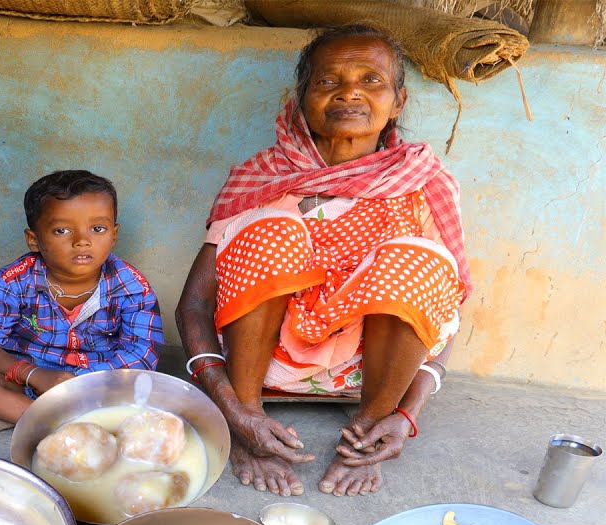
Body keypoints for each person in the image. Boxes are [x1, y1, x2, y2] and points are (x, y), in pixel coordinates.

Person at [176, 25, 470, 497]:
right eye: (328, 81)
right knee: (272, 228)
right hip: (259, 364)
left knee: (421, 258)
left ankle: (365, 438)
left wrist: (403, 415)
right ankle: (253, 425)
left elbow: (443, 313)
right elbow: (193, 304)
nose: (349, 91)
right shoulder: (261, 177)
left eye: (371, 80)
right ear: (301, 99)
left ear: (399, 101)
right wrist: (232, 410)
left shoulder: (423, 185)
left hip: (367, 375)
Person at [0, 170, 163, 437]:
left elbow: (142, 355)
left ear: (114, 233)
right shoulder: (12, 281)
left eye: (97, 229)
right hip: (25, 375)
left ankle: (26, 416)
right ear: (34, 239)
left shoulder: (131, 286)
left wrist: (76, 383)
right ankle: (63, 421)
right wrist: (34, 375)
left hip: (93, 381)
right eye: (62, 230)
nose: (82, 241)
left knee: (141, 389)